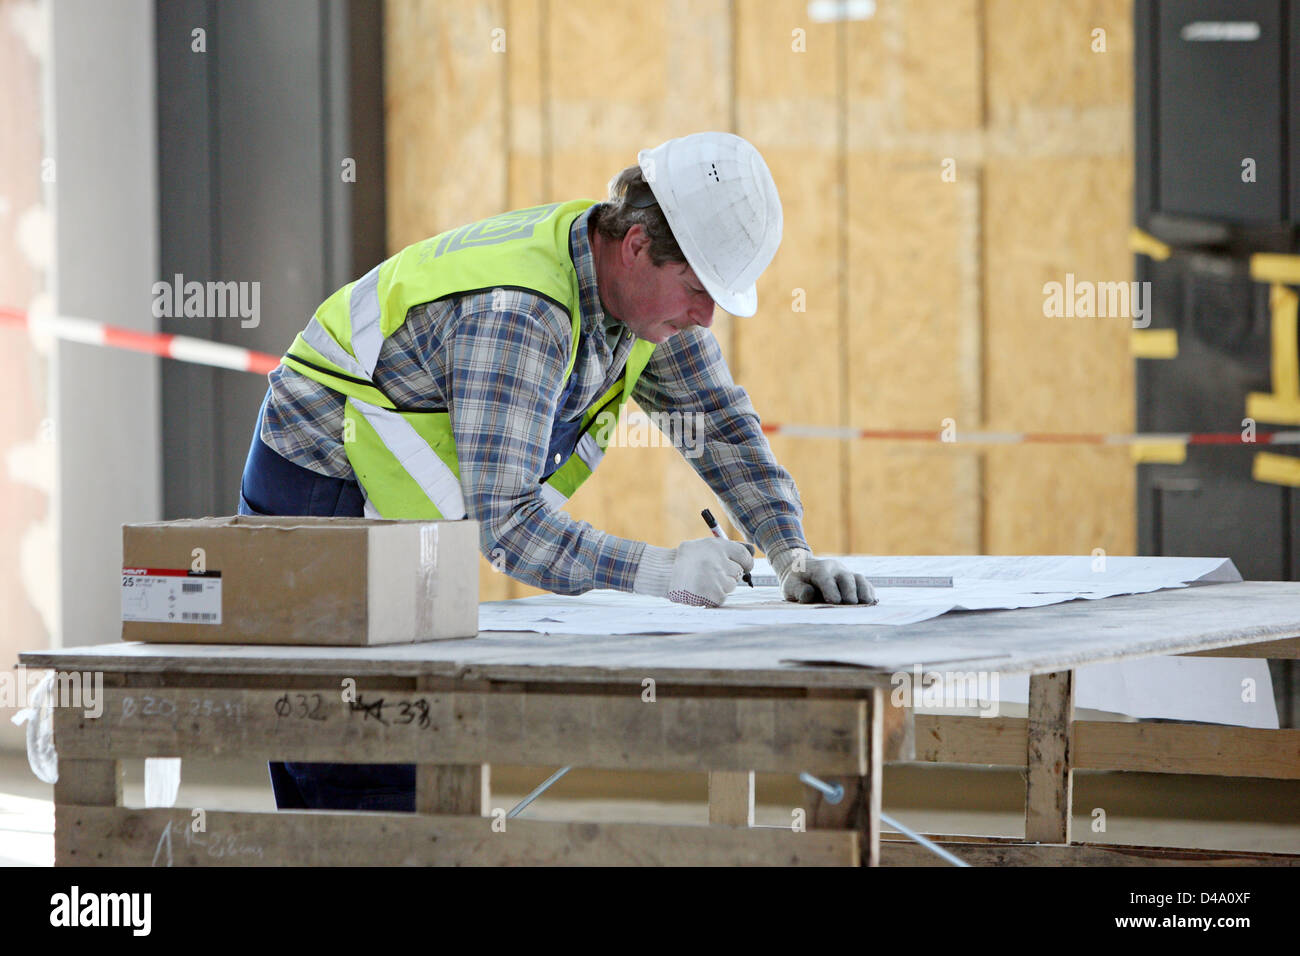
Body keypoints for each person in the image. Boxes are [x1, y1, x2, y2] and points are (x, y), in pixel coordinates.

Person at [238, 131, 876, 811]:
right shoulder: (522, 313)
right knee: (363, 761)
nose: (705, 316)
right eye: (696, 288)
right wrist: (662, 573)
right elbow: (508, 523)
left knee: (420, 755)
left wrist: (789, 548)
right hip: (315, 485)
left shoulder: (631, 296)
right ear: (636, 247)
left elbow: (718, 422)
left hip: (395, 500)